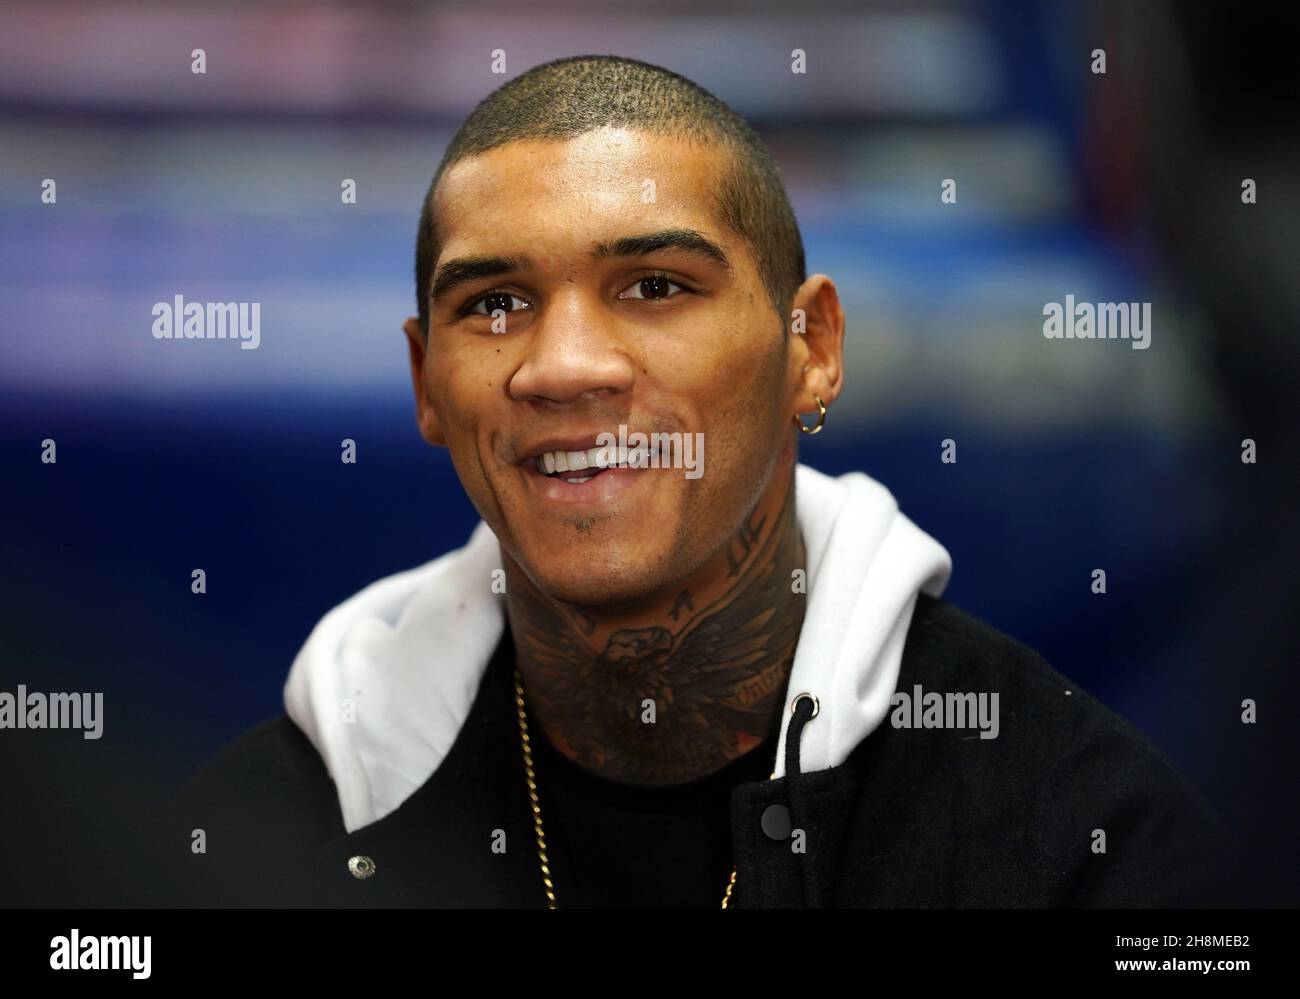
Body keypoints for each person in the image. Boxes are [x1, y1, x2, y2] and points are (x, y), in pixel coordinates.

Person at [159, 54, 1232, 908]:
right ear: (425, 383)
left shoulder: (1078, 835)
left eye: (656, 285)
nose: (565, 365)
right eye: (492, 303)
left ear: (808, 345)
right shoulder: (272, 835)